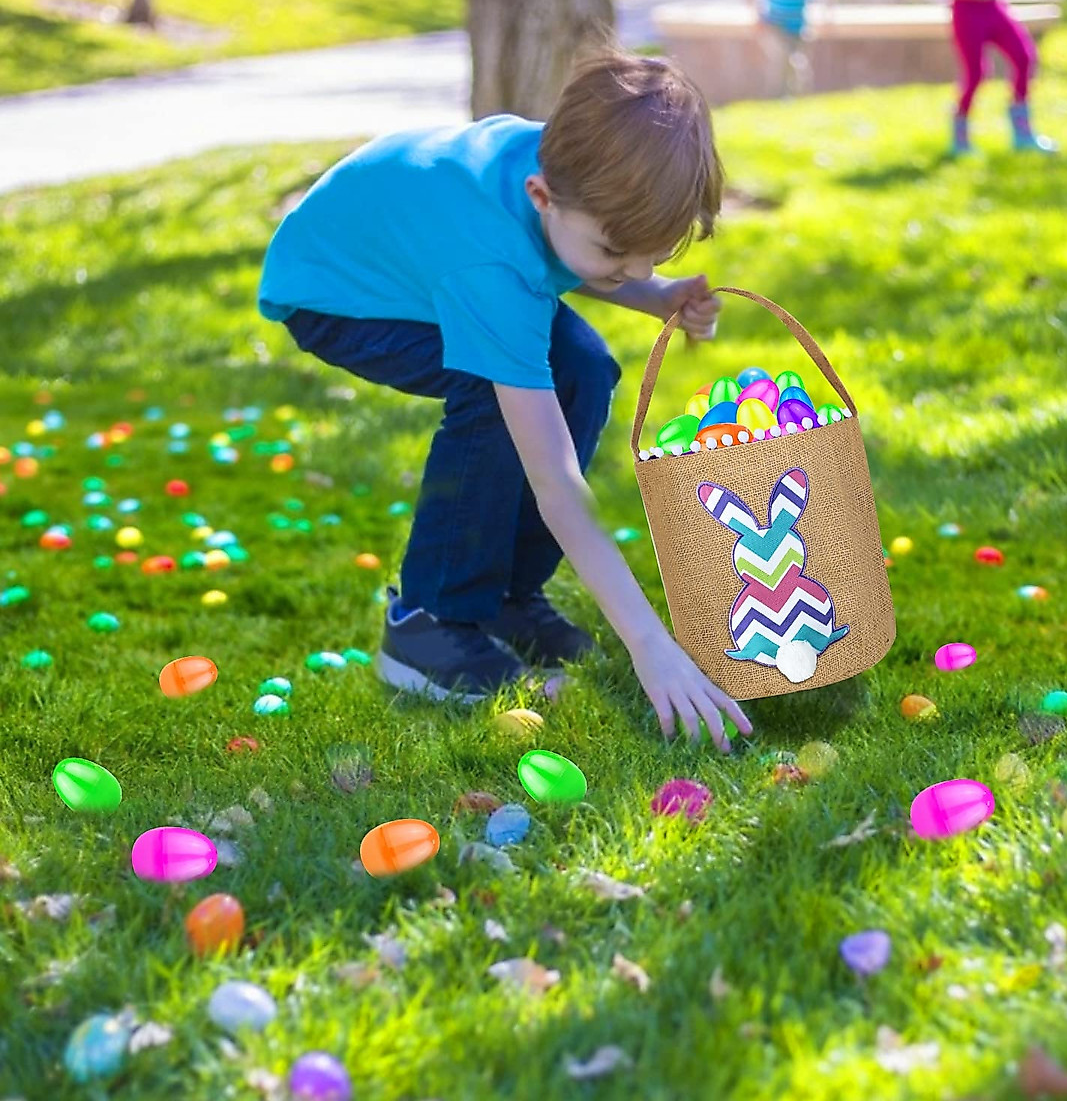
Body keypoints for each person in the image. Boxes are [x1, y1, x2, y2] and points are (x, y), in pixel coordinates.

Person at [257, 44, 753, 752]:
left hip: (423, 257)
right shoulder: (490, 259)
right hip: (337, 291)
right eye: (618, 254)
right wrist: (649, 643)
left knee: (581, 367)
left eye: (654, 256)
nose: (634, 270)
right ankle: (429, 624)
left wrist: (657, 296)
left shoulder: (566, 175)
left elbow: (552, 248)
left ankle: (505, 602)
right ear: (542, 197)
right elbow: (556, 482)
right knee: (495, 392)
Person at [913, 0, 1056, 155]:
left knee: (1024, 58)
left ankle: (1022, 133)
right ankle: (960, 138)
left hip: (994, 4)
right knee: (976, 74)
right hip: (965, 8)